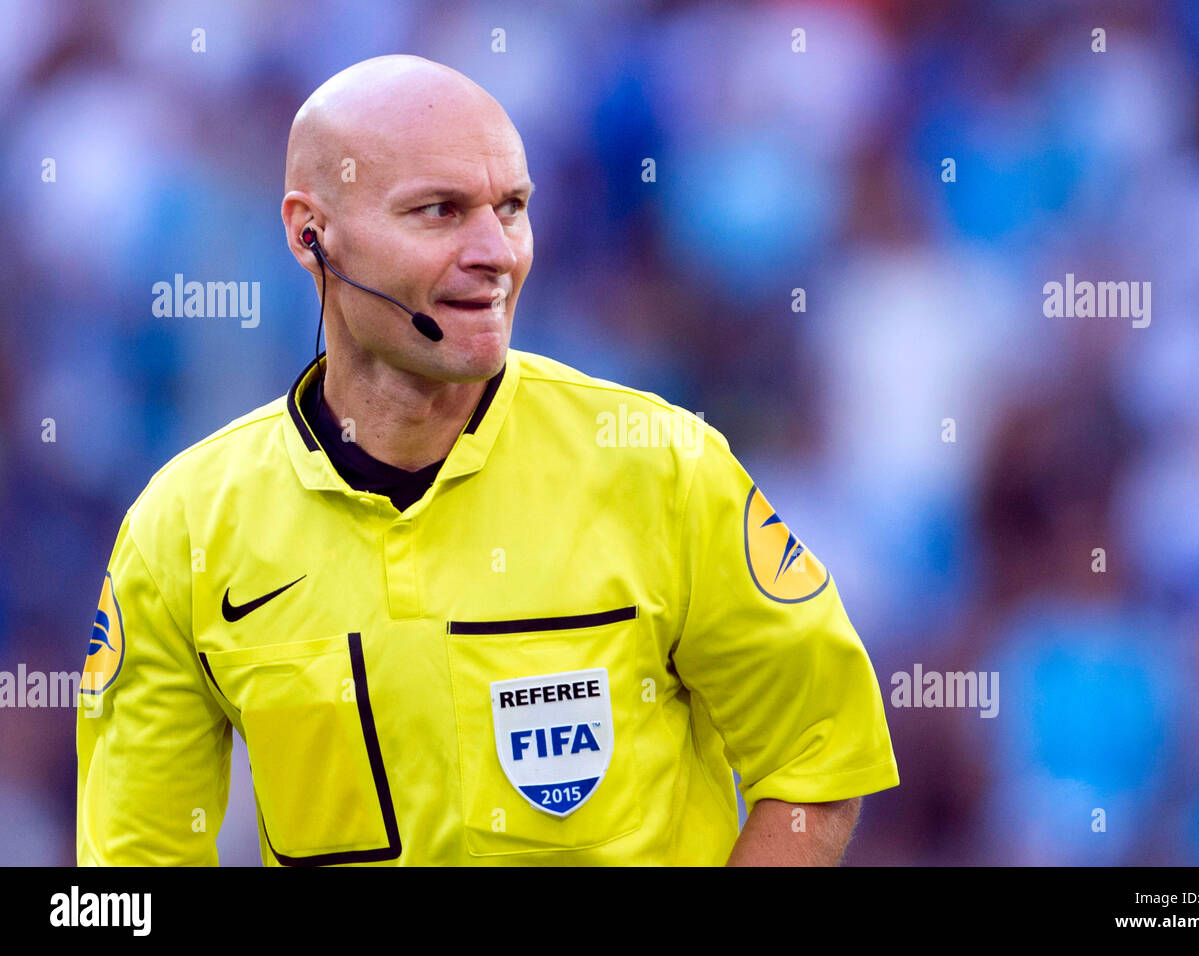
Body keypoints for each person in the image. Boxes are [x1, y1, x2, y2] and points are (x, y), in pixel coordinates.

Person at [76, 55, 899, 866]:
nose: (495, 251)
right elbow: (133, 866)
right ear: (310, 233)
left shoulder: (661, 467)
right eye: (439, 211)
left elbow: (817, 755)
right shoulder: (181, 526)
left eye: (511, 207)